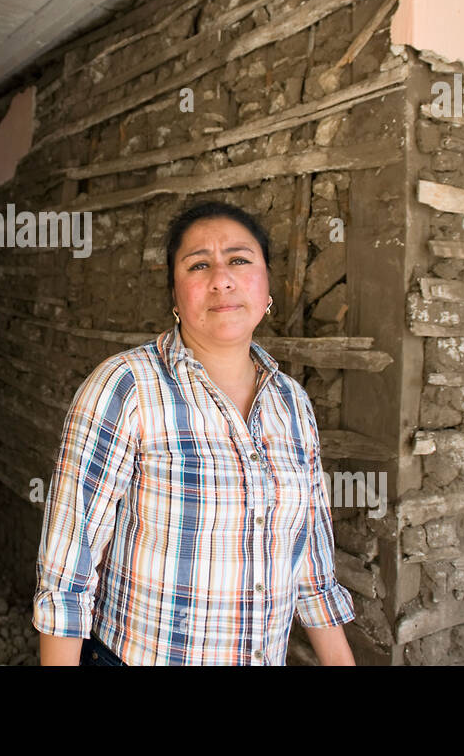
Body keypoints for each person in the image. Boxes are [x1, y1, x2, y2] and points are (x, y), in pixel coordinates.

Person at [32, 200, 356, 665]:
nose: (221, 278)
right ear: (175, 296)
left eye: (240, 260)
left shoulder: (292, 403)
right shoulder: (127, 387)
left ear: (268, 290)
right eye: (199, 264)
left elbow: (311, 564)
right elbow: (68, 570)